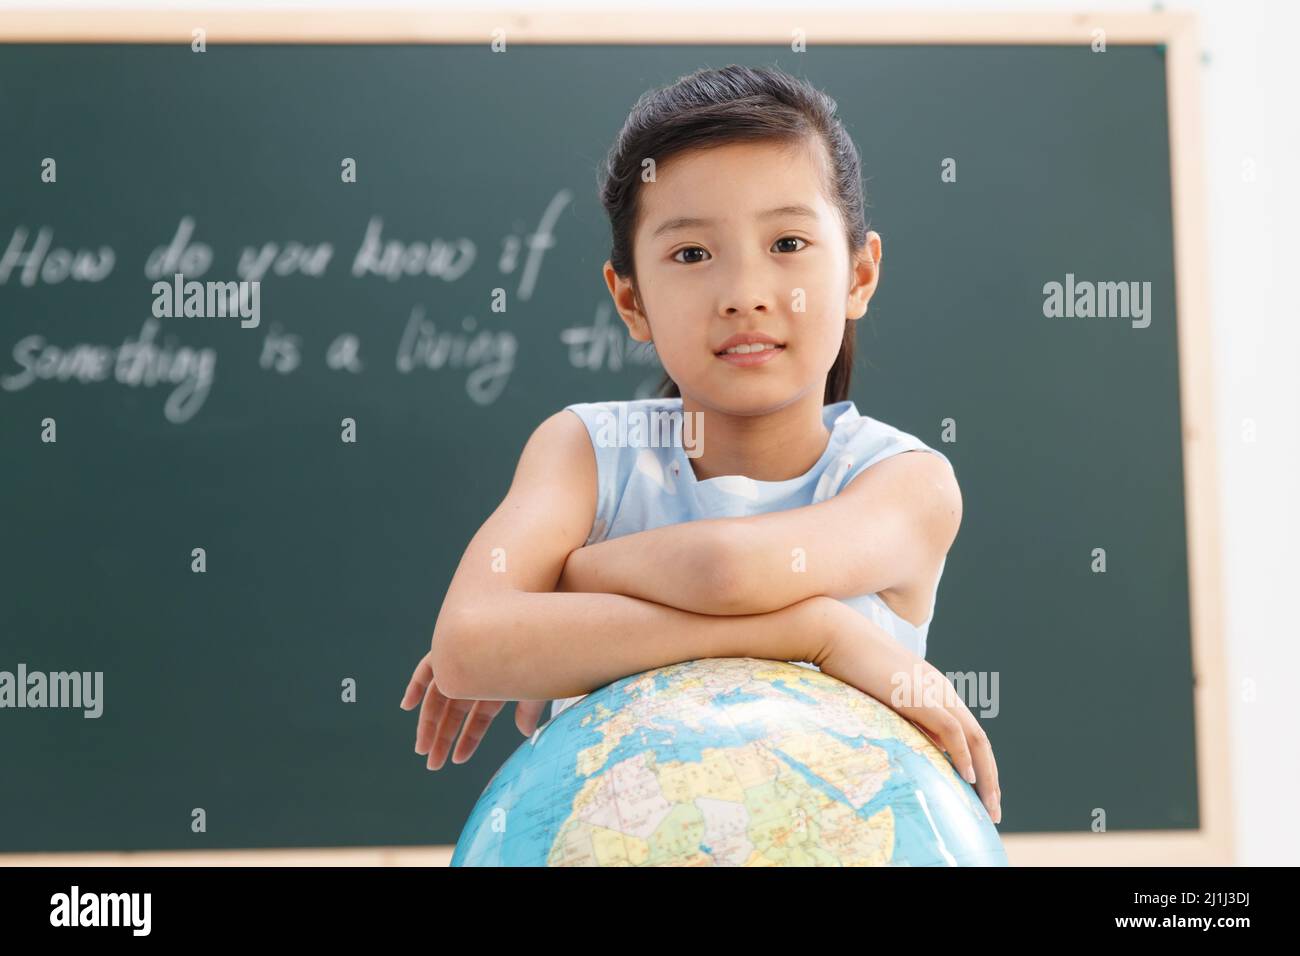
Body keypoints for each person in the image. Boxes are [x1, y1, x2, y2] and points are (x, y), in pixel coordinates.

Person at [400, 64, 1000, 824]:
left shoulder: (904, 483)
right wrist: (812, 633)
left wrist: (570, 582)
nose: (744, 292)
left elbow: (731, 568)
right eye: (691, 255)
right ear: (630, 299)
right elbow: (467, 646)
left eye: (787, 242)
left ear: (859, 272)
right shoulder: (586, 450)